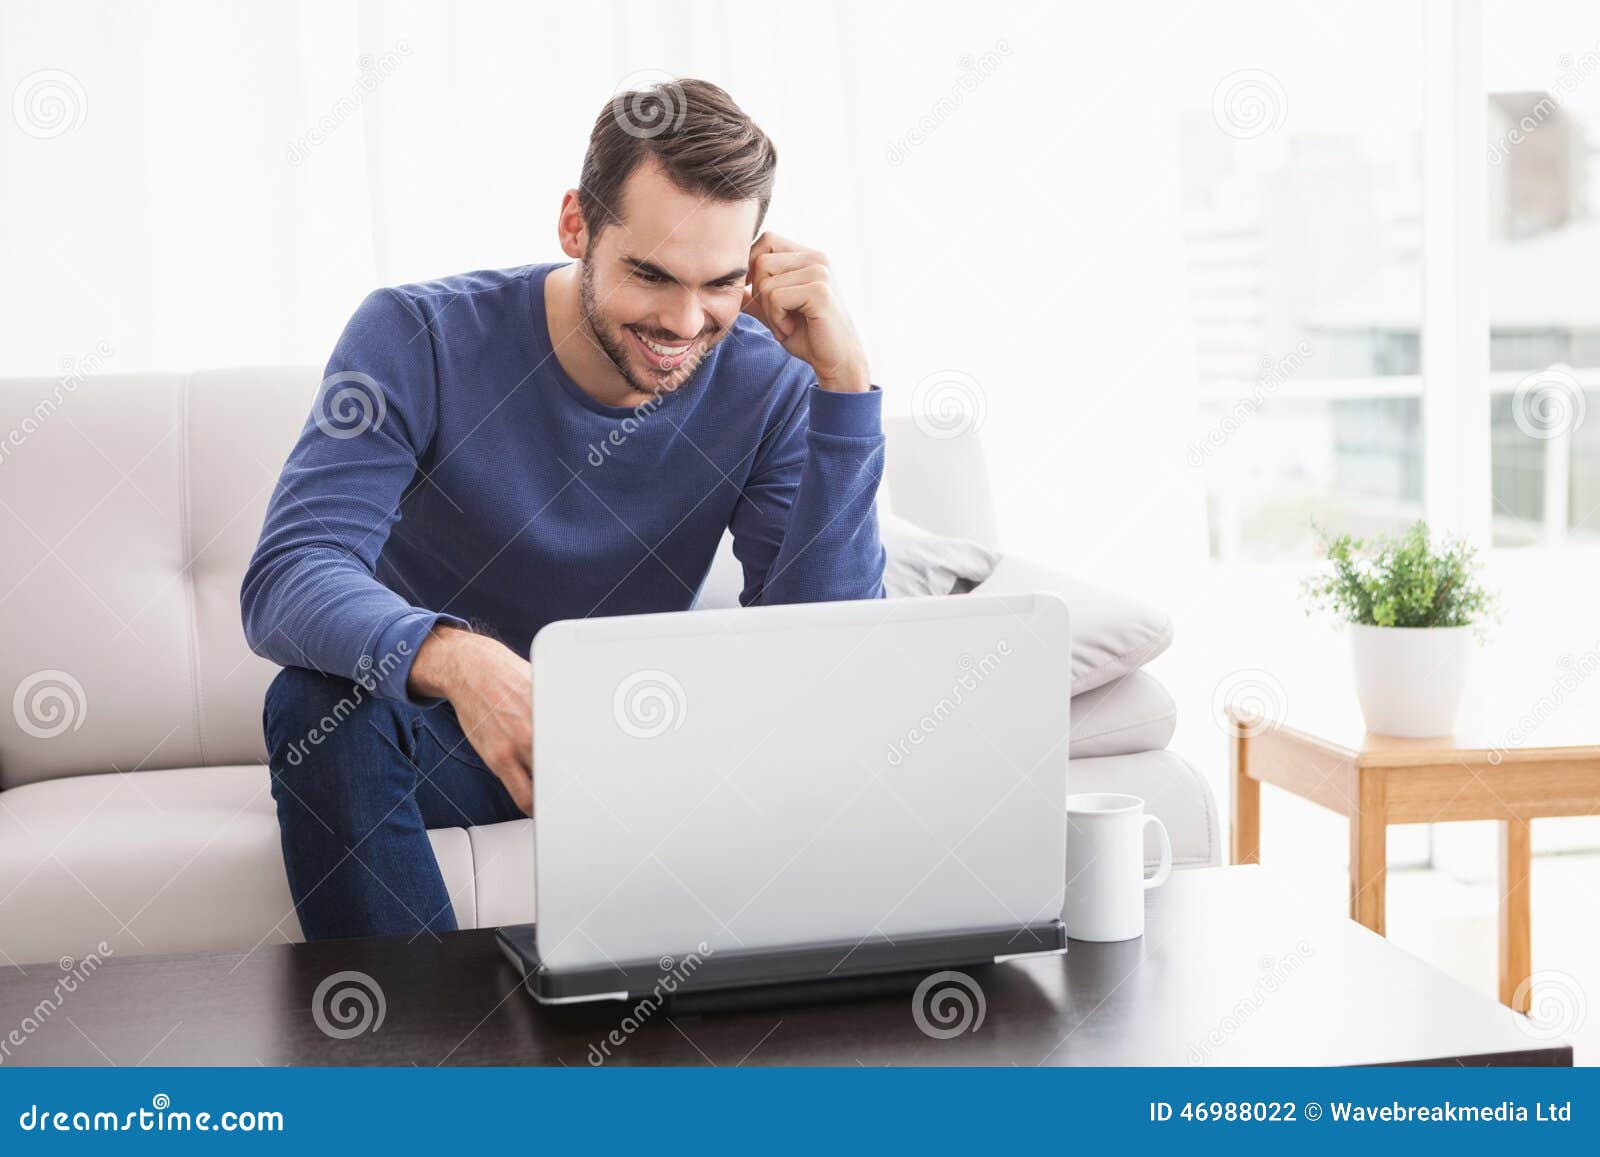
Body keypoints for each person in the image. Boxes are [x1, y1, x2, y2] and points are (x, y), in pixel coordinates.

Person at [240, 78, 885, 940]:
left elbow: (824, 661)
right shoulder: (417, 336)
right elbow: (290, 573)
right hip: (455, 739)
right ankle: (433, 1071)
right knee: (315, 706)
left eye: (719, 284)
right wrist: (466, 664)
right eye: (650, 275)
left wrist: (841, 389)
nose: (684, 322)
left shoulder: (765, 377)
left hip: (648, 743)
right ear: (576, 224)